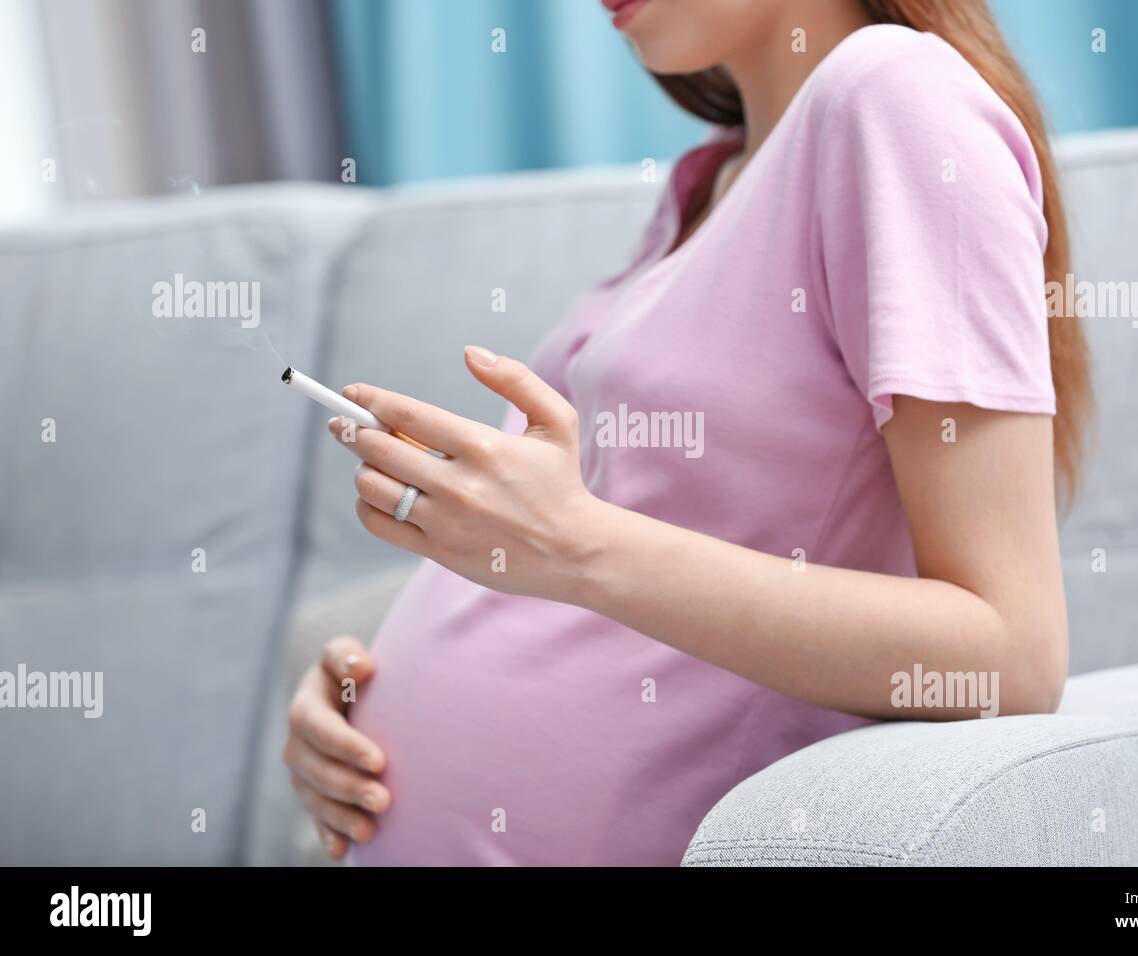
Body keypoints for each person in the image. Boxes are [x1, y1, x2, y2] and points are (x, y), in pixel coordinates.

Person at [282, 0, 1092, 866]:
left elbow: (1011, 658)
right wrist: (360, 691)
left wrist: (577, 546)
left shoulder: (891, 95)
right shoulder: (714, 181)